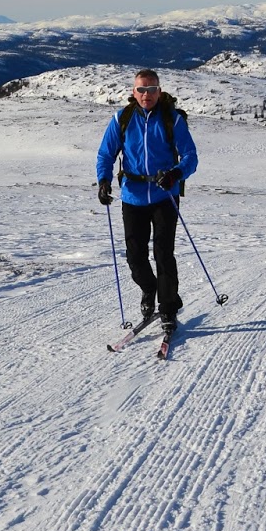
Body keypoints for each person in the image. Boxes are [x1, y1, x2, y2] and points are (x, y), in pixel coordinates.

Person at [96, 69, 199, 337]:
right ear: (133, 92)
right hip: (132, 197)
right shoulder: (122, 118)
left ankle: (168, 308)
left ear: (159, 91)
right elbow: (106, 154)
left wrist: (176, 173)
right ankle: (148, 288)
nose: (146, 95)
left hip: (165, 197)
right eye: (141, 90)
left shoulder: (172, 120)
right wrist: (103, 181)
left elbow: (190, 156)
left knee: (164, 254)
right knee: (135, 257)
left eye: (152, 89)